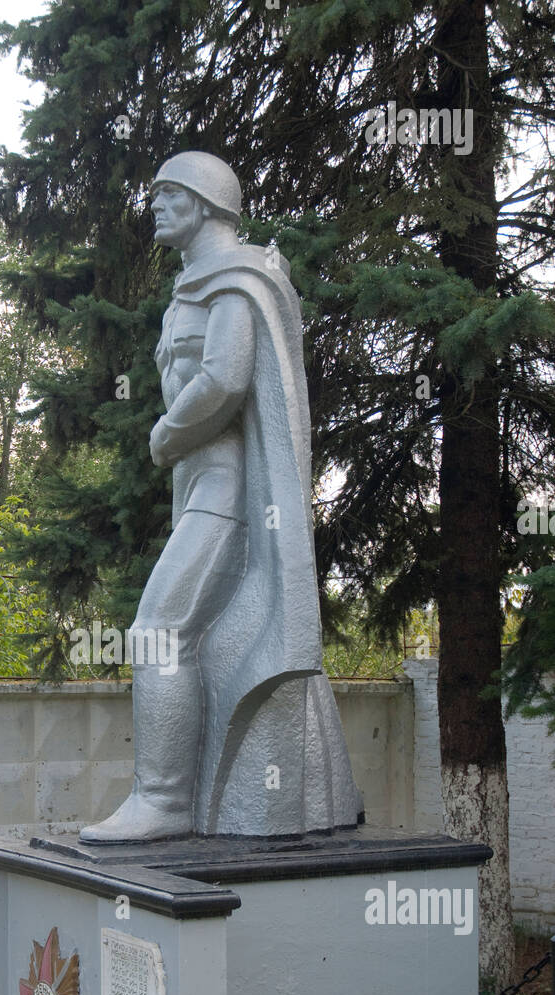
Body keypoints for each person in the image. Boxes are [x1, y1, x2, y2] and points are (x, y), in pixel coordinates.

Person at [80, 153, 361, 843]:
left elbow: (225, 380)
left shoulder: (237, 280)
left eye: (168, 194)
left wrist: (166, 432)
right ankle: (181, 797)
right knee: (174, 634)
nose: (154, 206)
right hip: (203, 482)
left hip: (232, 489)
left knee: (158, 630)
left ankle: (164, 800)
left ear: (207, 202)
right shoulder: (193, 287)